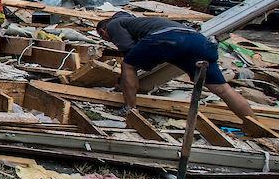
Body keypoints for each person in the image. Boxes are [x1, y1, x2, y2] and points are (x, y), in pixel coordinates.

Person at [96, 12, 255, 121]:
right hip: (199, 41)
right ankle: (253, 124)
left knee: (127, 66)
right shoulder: (139, 23)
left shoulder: (114, 24)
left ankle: (130, 108)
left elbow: (129, 54)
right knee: (223, 89)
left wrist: (123, 81)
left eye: (103, 36)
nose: (108, 40)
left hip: (169, 39)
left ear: (104, 29)